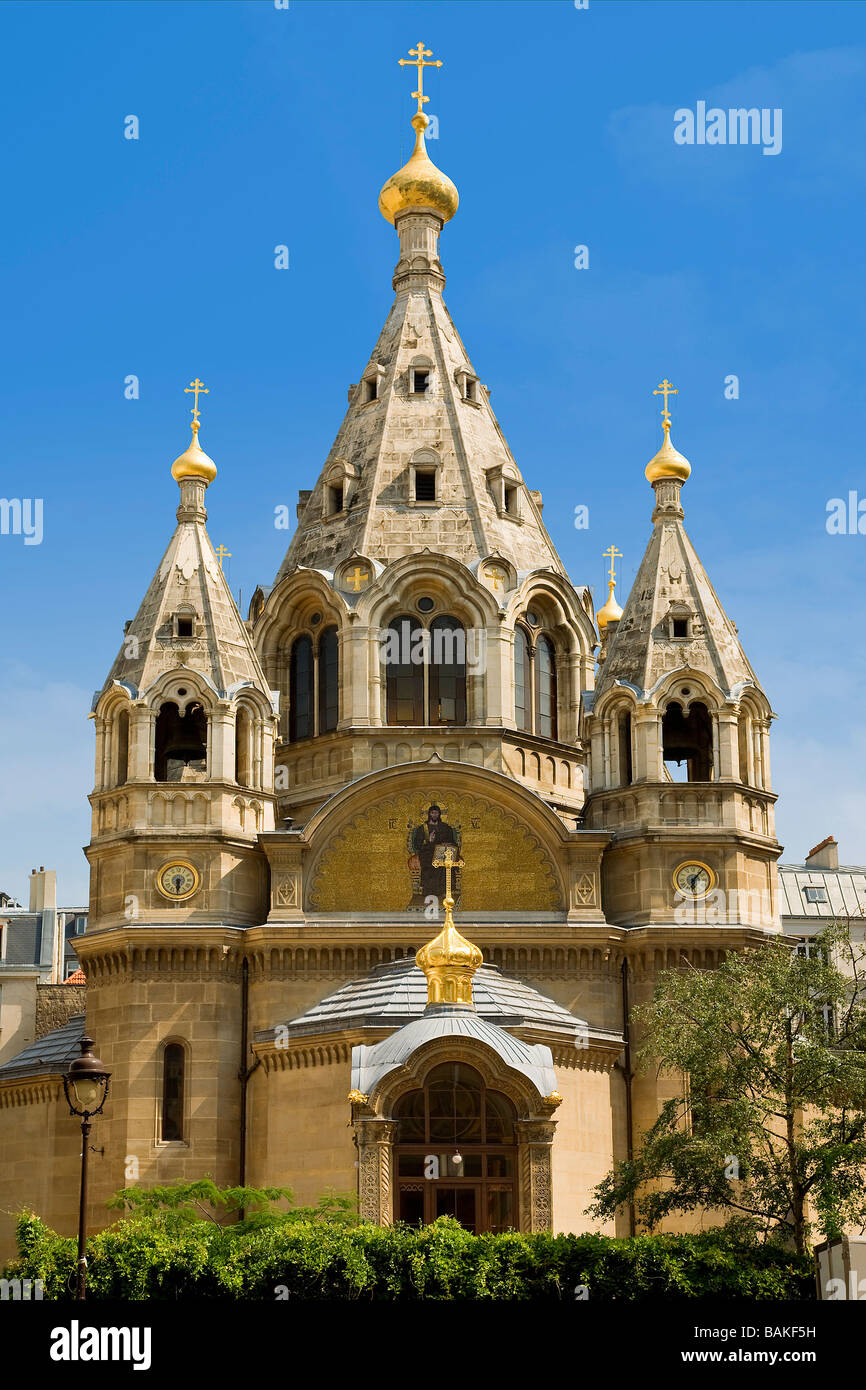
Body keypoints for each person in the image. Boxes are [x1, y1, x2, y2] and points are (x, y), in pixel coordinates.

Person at [407, 804, 458, 910]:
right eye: (432, 813)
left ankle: (444, 891)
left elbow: (453, 842)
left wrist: (447, 844)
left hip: (442, 851)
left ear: (439, 814)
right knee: (430, 863)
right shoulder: (423, 828)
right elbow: (417, 845)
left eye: (436, 813)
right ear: (429, 814)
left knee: (446, 862)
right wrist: (429, 840)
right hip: (427, 852)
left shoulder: (445, 827)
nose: (434, 815)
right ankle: (430, 891)